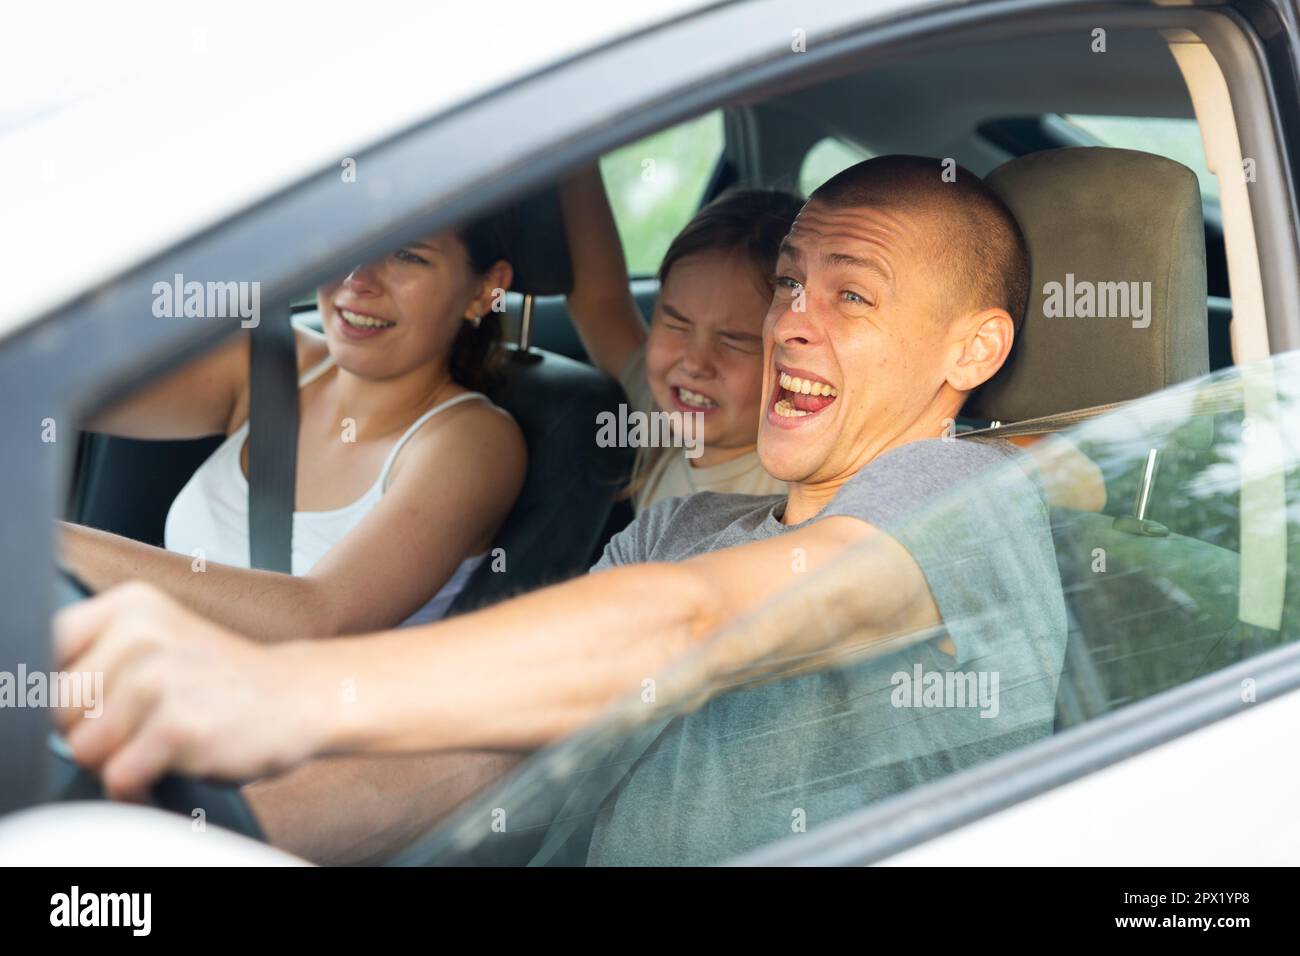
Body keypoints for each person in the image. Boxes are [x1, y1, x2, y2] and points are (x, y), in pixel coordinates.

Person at [55, 156, 1068, 865]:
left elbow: (692, 622)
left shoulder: (962, 494)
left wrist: (283, 690)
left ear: (971, 351)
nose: (790, 321)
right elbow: (500, 741)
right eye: (791, 283)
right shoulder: (685, 526)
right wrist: (165, 828)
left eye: (850, 298)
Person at [57, 216, 527, 641]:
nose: (356, 280)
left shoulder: (474, 442)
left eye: (407, 255)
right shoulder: (268, 364)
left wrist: (47, 544)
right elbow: (58, 387)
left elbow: (316, 618)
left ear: (486, 289)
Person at [560, 166, 800, 508]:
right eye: (676, 325)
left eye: (734, 341)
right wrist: (572, 151)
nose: (694, 362)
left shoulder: (794, 497)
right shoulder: (667, 423)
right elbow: (598, 304)